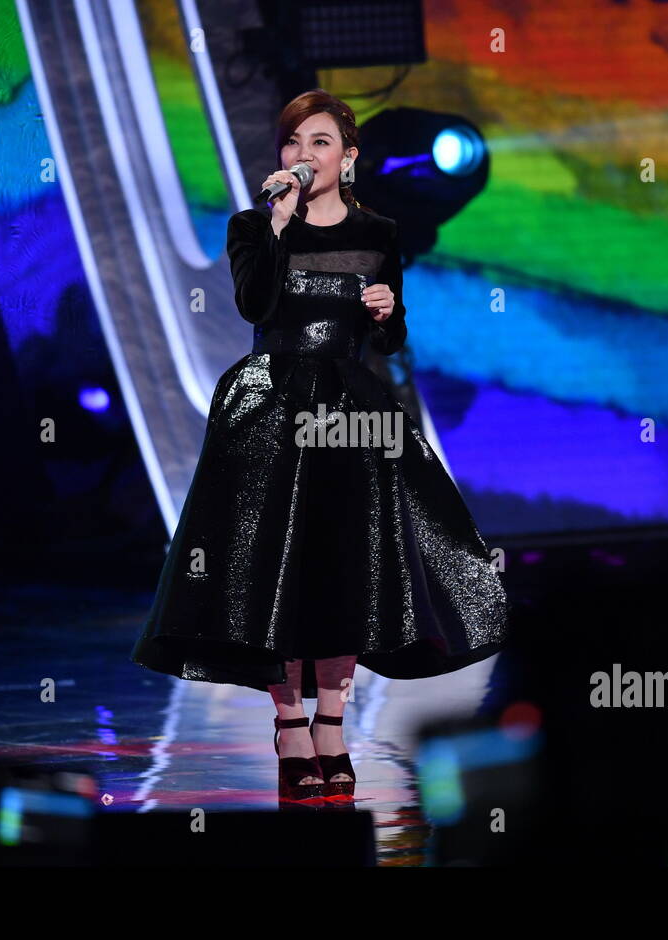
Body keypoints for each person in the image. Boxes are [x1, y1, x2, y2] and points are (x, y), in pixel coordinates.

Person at [132, 90, 508, 807]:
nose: (305, 155)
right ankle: (288, 720)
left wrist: (387, 313)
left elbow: (388, 340)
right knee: (273, 566)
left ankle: (331, 723)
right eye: (294, 143)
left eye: (321, 143)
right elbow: (255, 306)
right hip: (269, 401)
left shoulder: (378, 231)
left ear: (350, 157)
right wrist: (276, 224)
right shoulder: (252, 226)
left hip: (348, 407)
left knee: (348, 567)